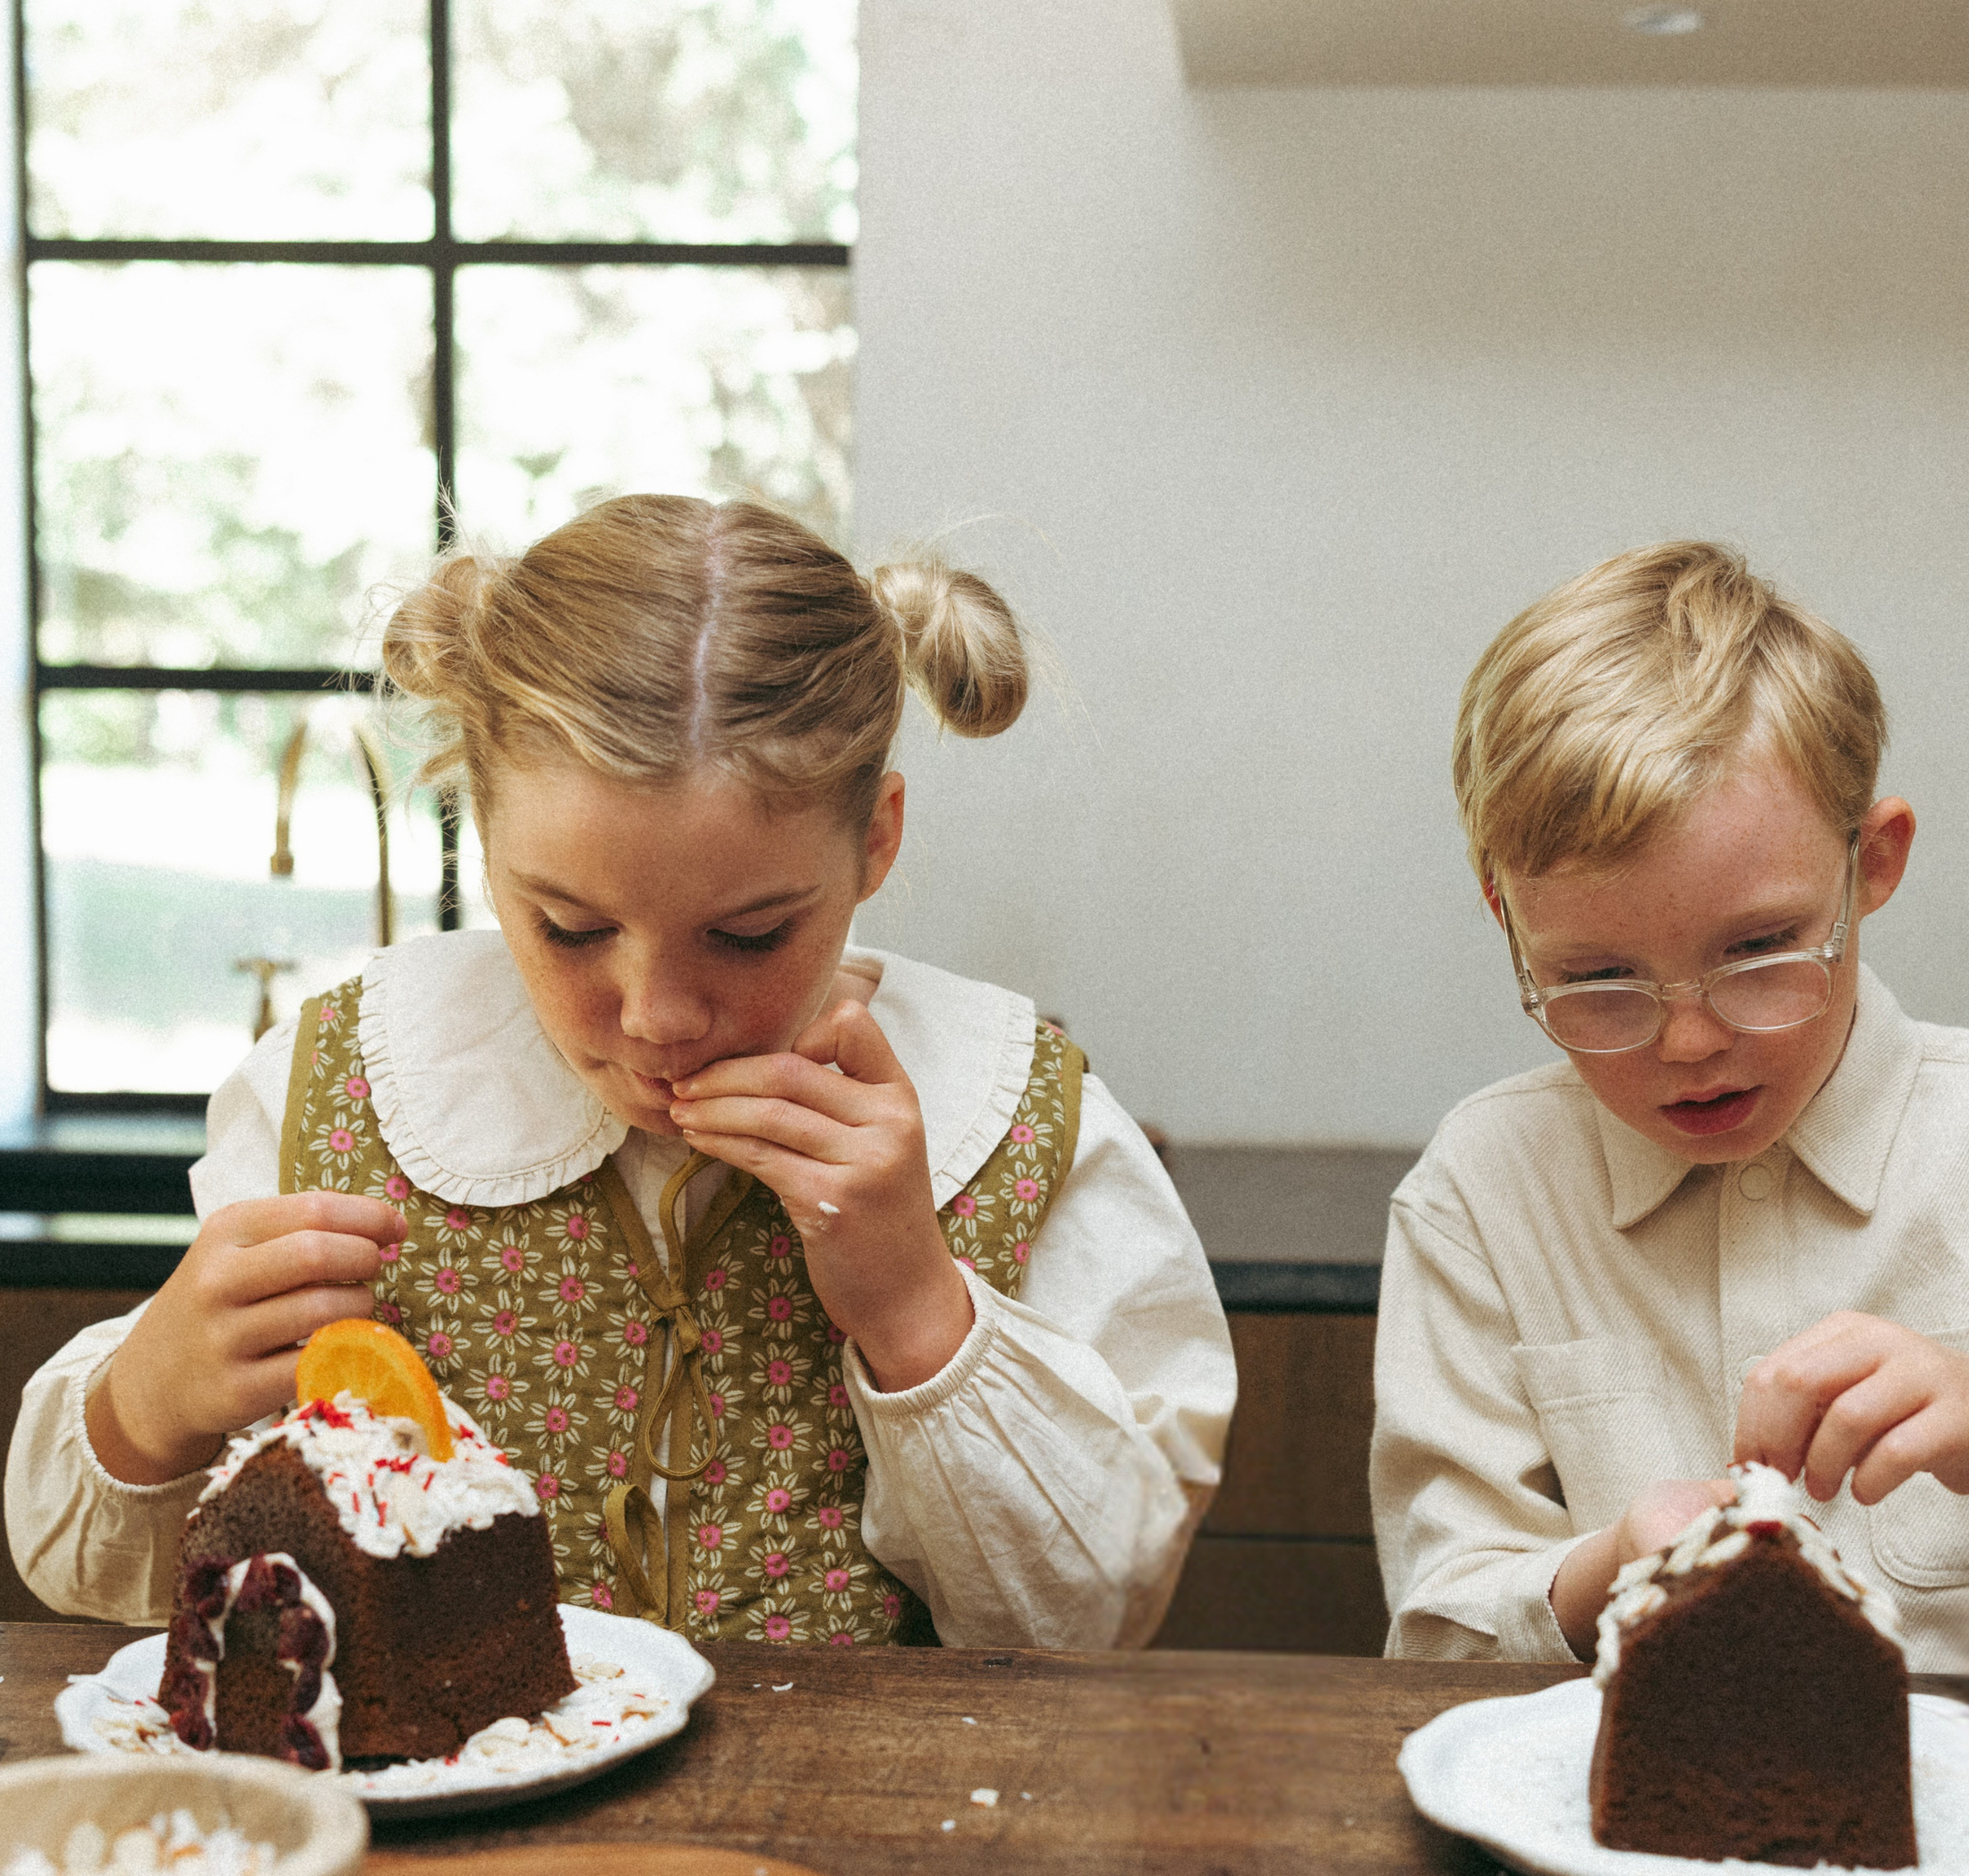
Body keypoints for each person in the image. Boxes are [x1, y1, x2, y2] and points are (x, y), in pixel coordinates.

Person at [9, 494, 1234, 1650]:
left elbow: (1093, 1621)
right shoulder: (332, 1092)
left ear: (875, 841)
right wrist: (148, 1402)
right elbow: (86, 1572)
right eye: (572, 928)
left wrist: (919, 1312)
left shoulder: (1019, 1111)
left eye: (750, 934)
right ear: (485, 841)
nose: (656, 1017)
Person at [1372, 540, 1969, 1672]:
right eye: (1598, 979)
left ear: (1872, 864)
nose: (1688, 1042)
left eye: (1758, 949)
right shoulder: (1482, 1191)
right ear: (1506, 918)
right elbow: (1434, 1640)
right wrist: (1607, 1571)